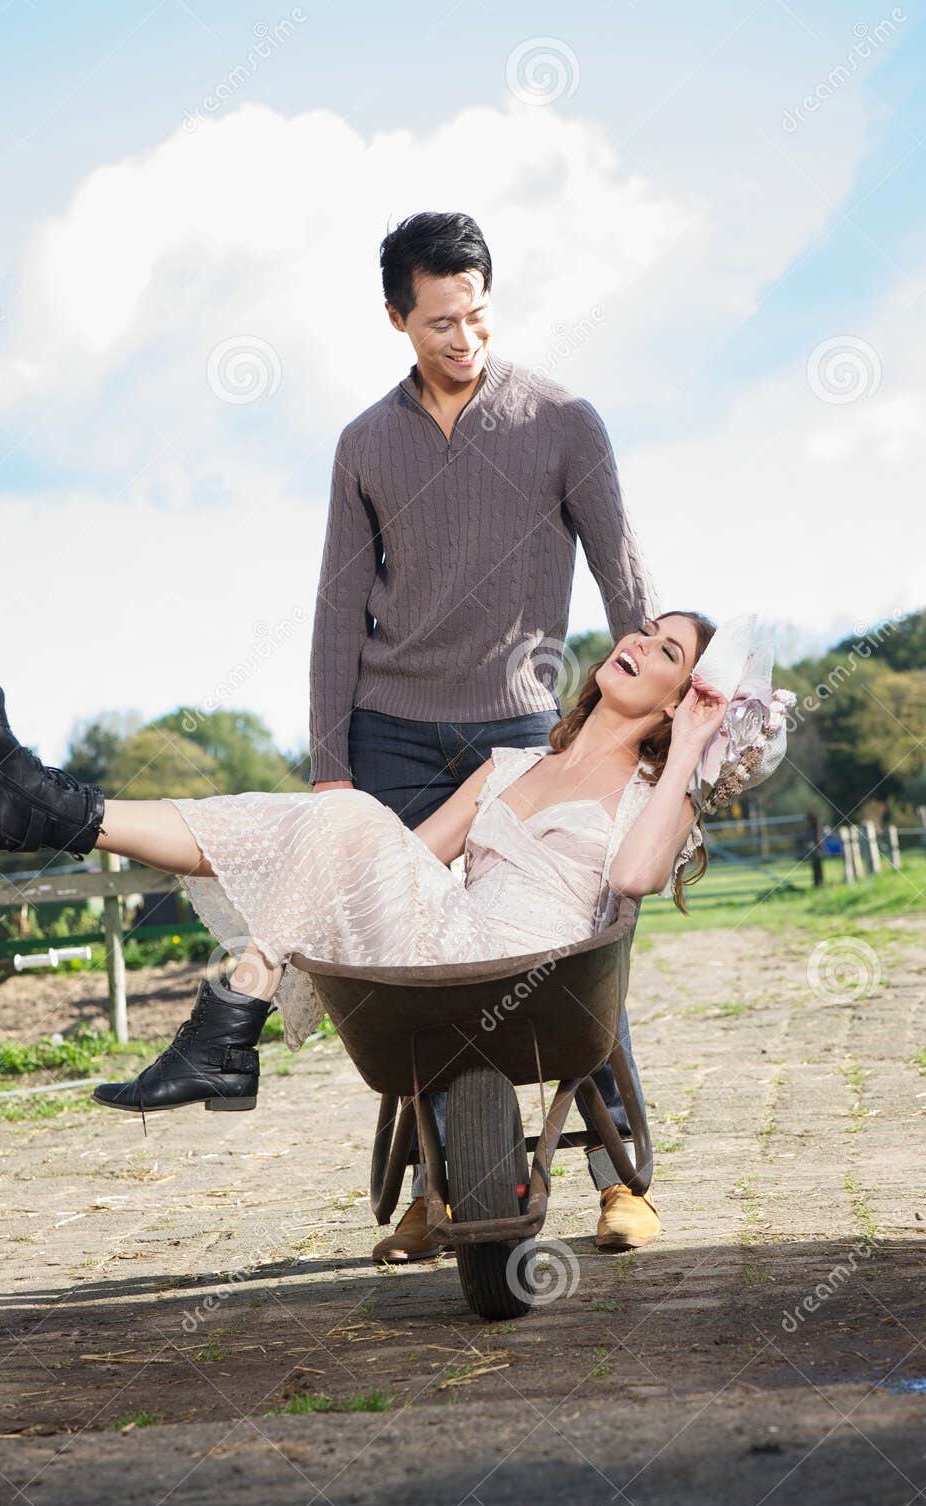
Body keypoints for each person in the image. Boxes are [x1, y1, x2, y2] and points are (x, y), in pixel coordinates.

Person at [89, 210, 664, 1255]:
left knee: (581, 941)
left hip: (523, 730)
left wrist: (664, 731)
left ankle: (619, 1174)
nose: (463, 339)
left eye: (478, 315)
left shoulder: (564, 419)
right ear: (397, 316)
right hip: (391, 734)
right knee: (412, 974)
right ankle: (445, 1189)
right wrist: (328, 763)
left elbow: (626, 577)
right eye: (440, 321)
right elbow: (334, 611)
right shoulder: (366, 442)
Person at [0, 611, 731, 1257]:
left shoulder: (656, 795)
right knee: (314, 822)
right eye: (639, 631)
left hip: (543, 982)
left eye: (668, 652)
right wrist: (324, 851)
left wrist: (688, 753)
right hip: (443, 948)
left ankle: (73, 834)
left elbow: (631, 879)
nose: (637, 644)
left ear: (679, 701)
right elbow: (416, 855)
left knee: (340, 816)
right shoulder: (508, 766)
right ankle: (62, 818)